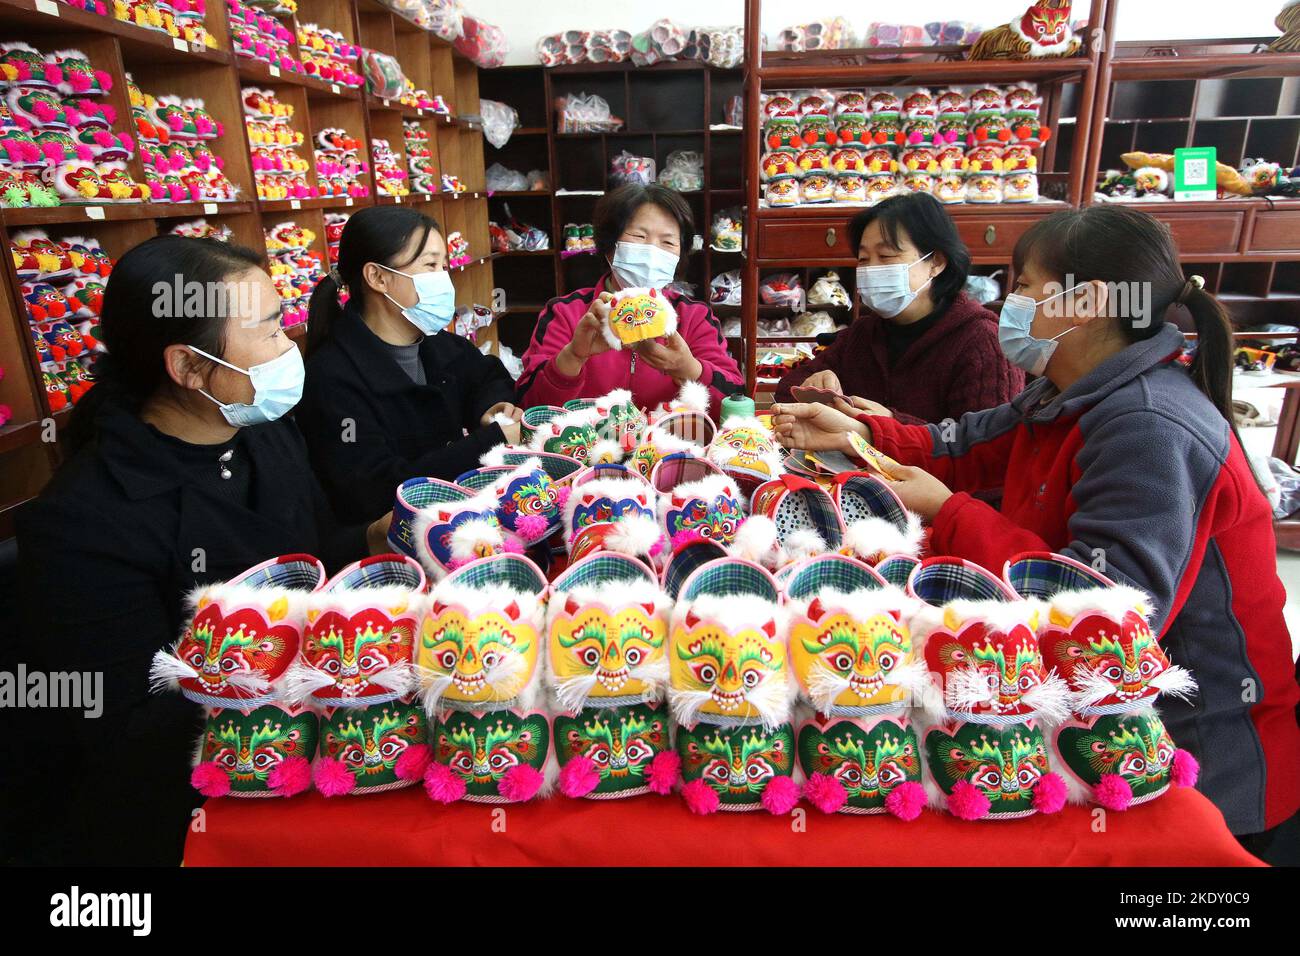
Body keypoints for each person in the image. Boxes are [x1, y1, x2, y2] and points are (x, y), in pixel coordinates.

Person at [772, 204, 1300, 860]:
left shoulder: (1147, 425)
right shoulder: (1063, 390)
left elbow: (1103, 621)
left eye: (1023, 287)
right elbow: (966, 442)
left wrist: (951, 510)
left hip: (1191, 758)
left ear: (1089, 302)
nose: (1008, 303)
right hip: (1080, 718)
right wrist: (864, 436)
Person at [6, 236, 390, 865]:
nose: (290, 348)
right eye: (268, 332)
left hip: (317, 730)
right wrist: (305, 674)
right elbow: (126, 722)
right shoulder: (85, 520)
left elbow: (315, 555)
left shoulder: (263, 434)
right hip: (199, 795)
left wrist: (379, 537)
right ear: (187, 367)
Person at [297, 206, 520, 525]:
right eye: (430, 265)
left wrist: (492, 406)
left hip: (461, 520)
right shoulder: (332, 379)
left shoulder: (438, 343)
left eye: (444, 265)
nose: (444, 278)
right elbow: (377, 490)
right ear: (377, 277)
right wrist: (491, 441)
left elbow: (486, 377)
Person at [774, 192, 1024, 423]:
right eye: (863, 259)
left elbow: (984, 452)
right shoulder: (865, 334)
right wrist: (813, 387)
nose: (871, 269)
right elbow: (786, 389)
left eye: (886, 257)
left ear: (935, 262)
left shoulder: (984, 344)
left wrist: (889, 426)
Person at [516, 183, 745, 414]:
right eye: (639, 236)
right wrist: (573, 356)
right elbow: (530, 408)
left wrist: (688, 369)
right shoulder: (566, 313)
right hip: (586, 447)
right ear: (609, 245)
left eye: (667, 242)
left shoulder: (694, 316)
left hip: (671, 447)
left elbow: (735, 405)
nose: (652, 252)